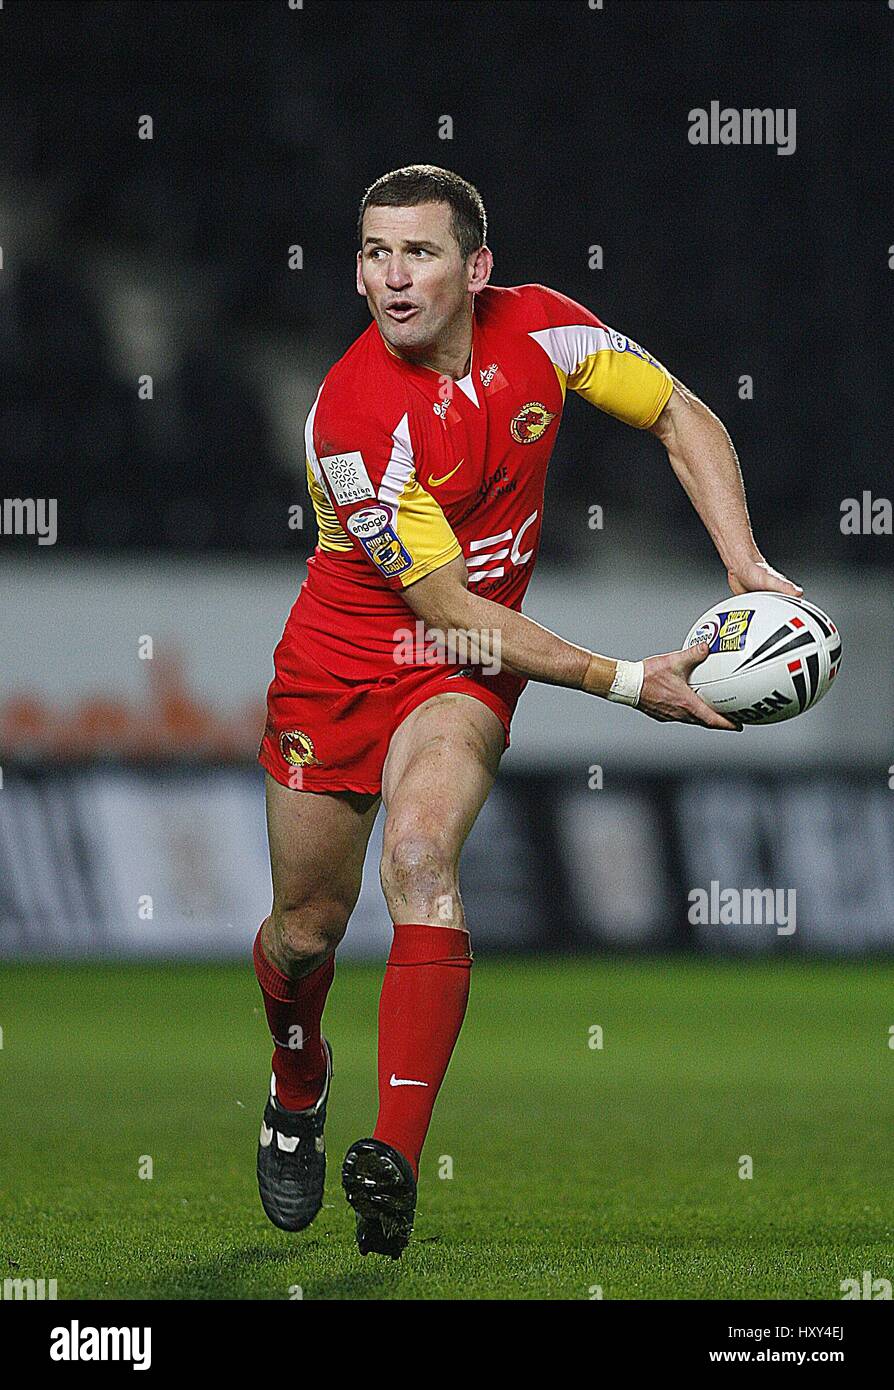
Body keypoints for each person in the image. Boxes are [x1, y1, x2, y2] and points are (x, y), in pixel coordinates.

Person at [253, 164, 800, 1258]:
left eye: (418, 252)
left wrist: (746, 566)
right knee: (307, 932)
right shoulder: (355, 418)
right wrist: (627, 680)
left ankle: (393, 1158)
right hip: (348, 665)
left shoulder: (547, 330)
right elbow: (449, 607)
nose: (391, 277)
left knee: (420, 856)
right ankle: (297, 1066)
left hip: (461, 673)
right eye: (373, 253)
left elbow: (683, 414)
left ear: (477, 267)